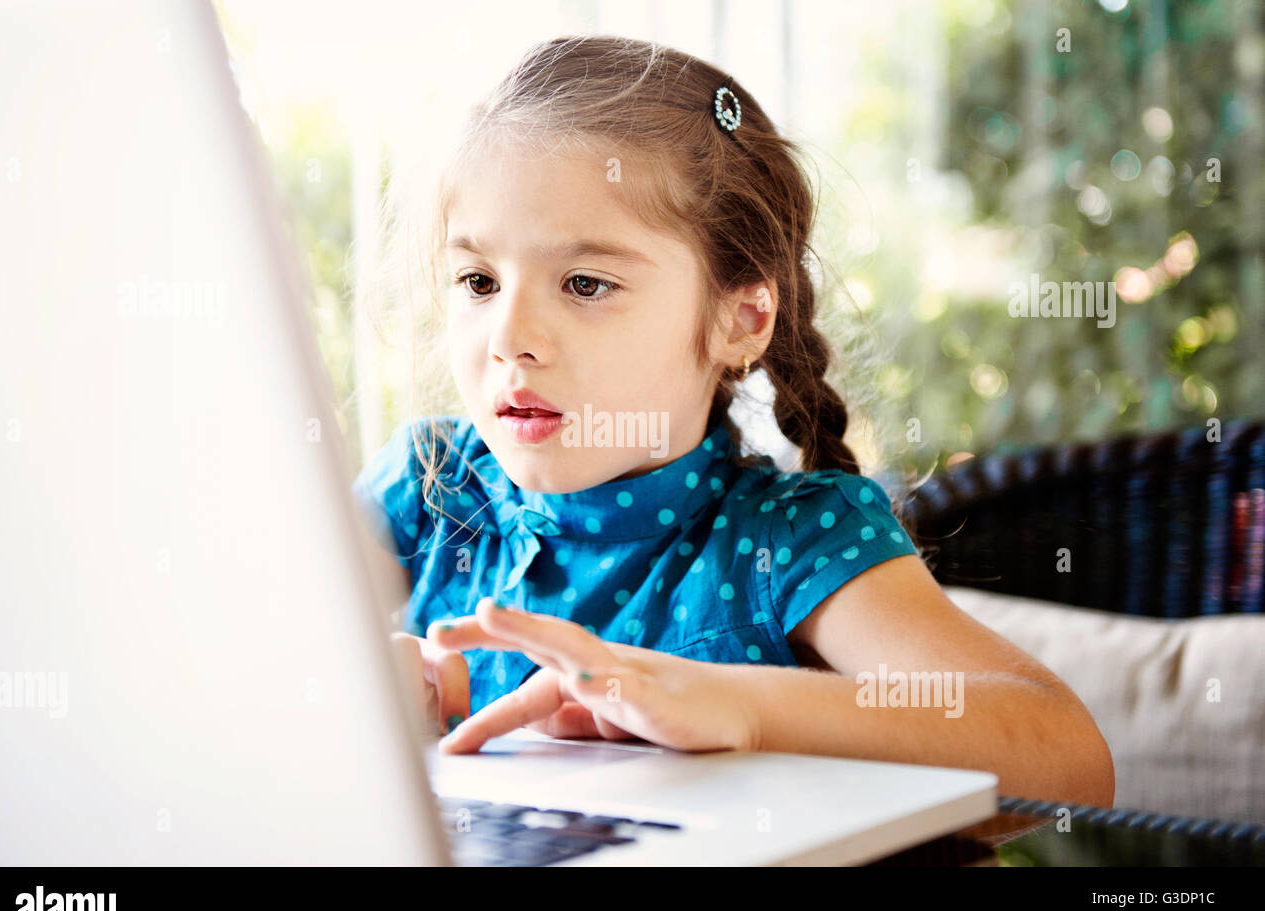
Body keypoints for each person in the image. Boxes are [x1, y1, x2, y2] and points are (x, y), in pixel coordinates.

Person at [353, 36, 1114, 807]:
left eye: (584, 283)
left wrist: (737, 704)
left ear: (740, 319)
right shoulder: (427, 486)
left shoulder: (792, 540)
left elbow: (1069, 754)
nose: (510, 336)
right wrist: (350, 689)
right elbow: (240, 650)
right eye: (478, 280)